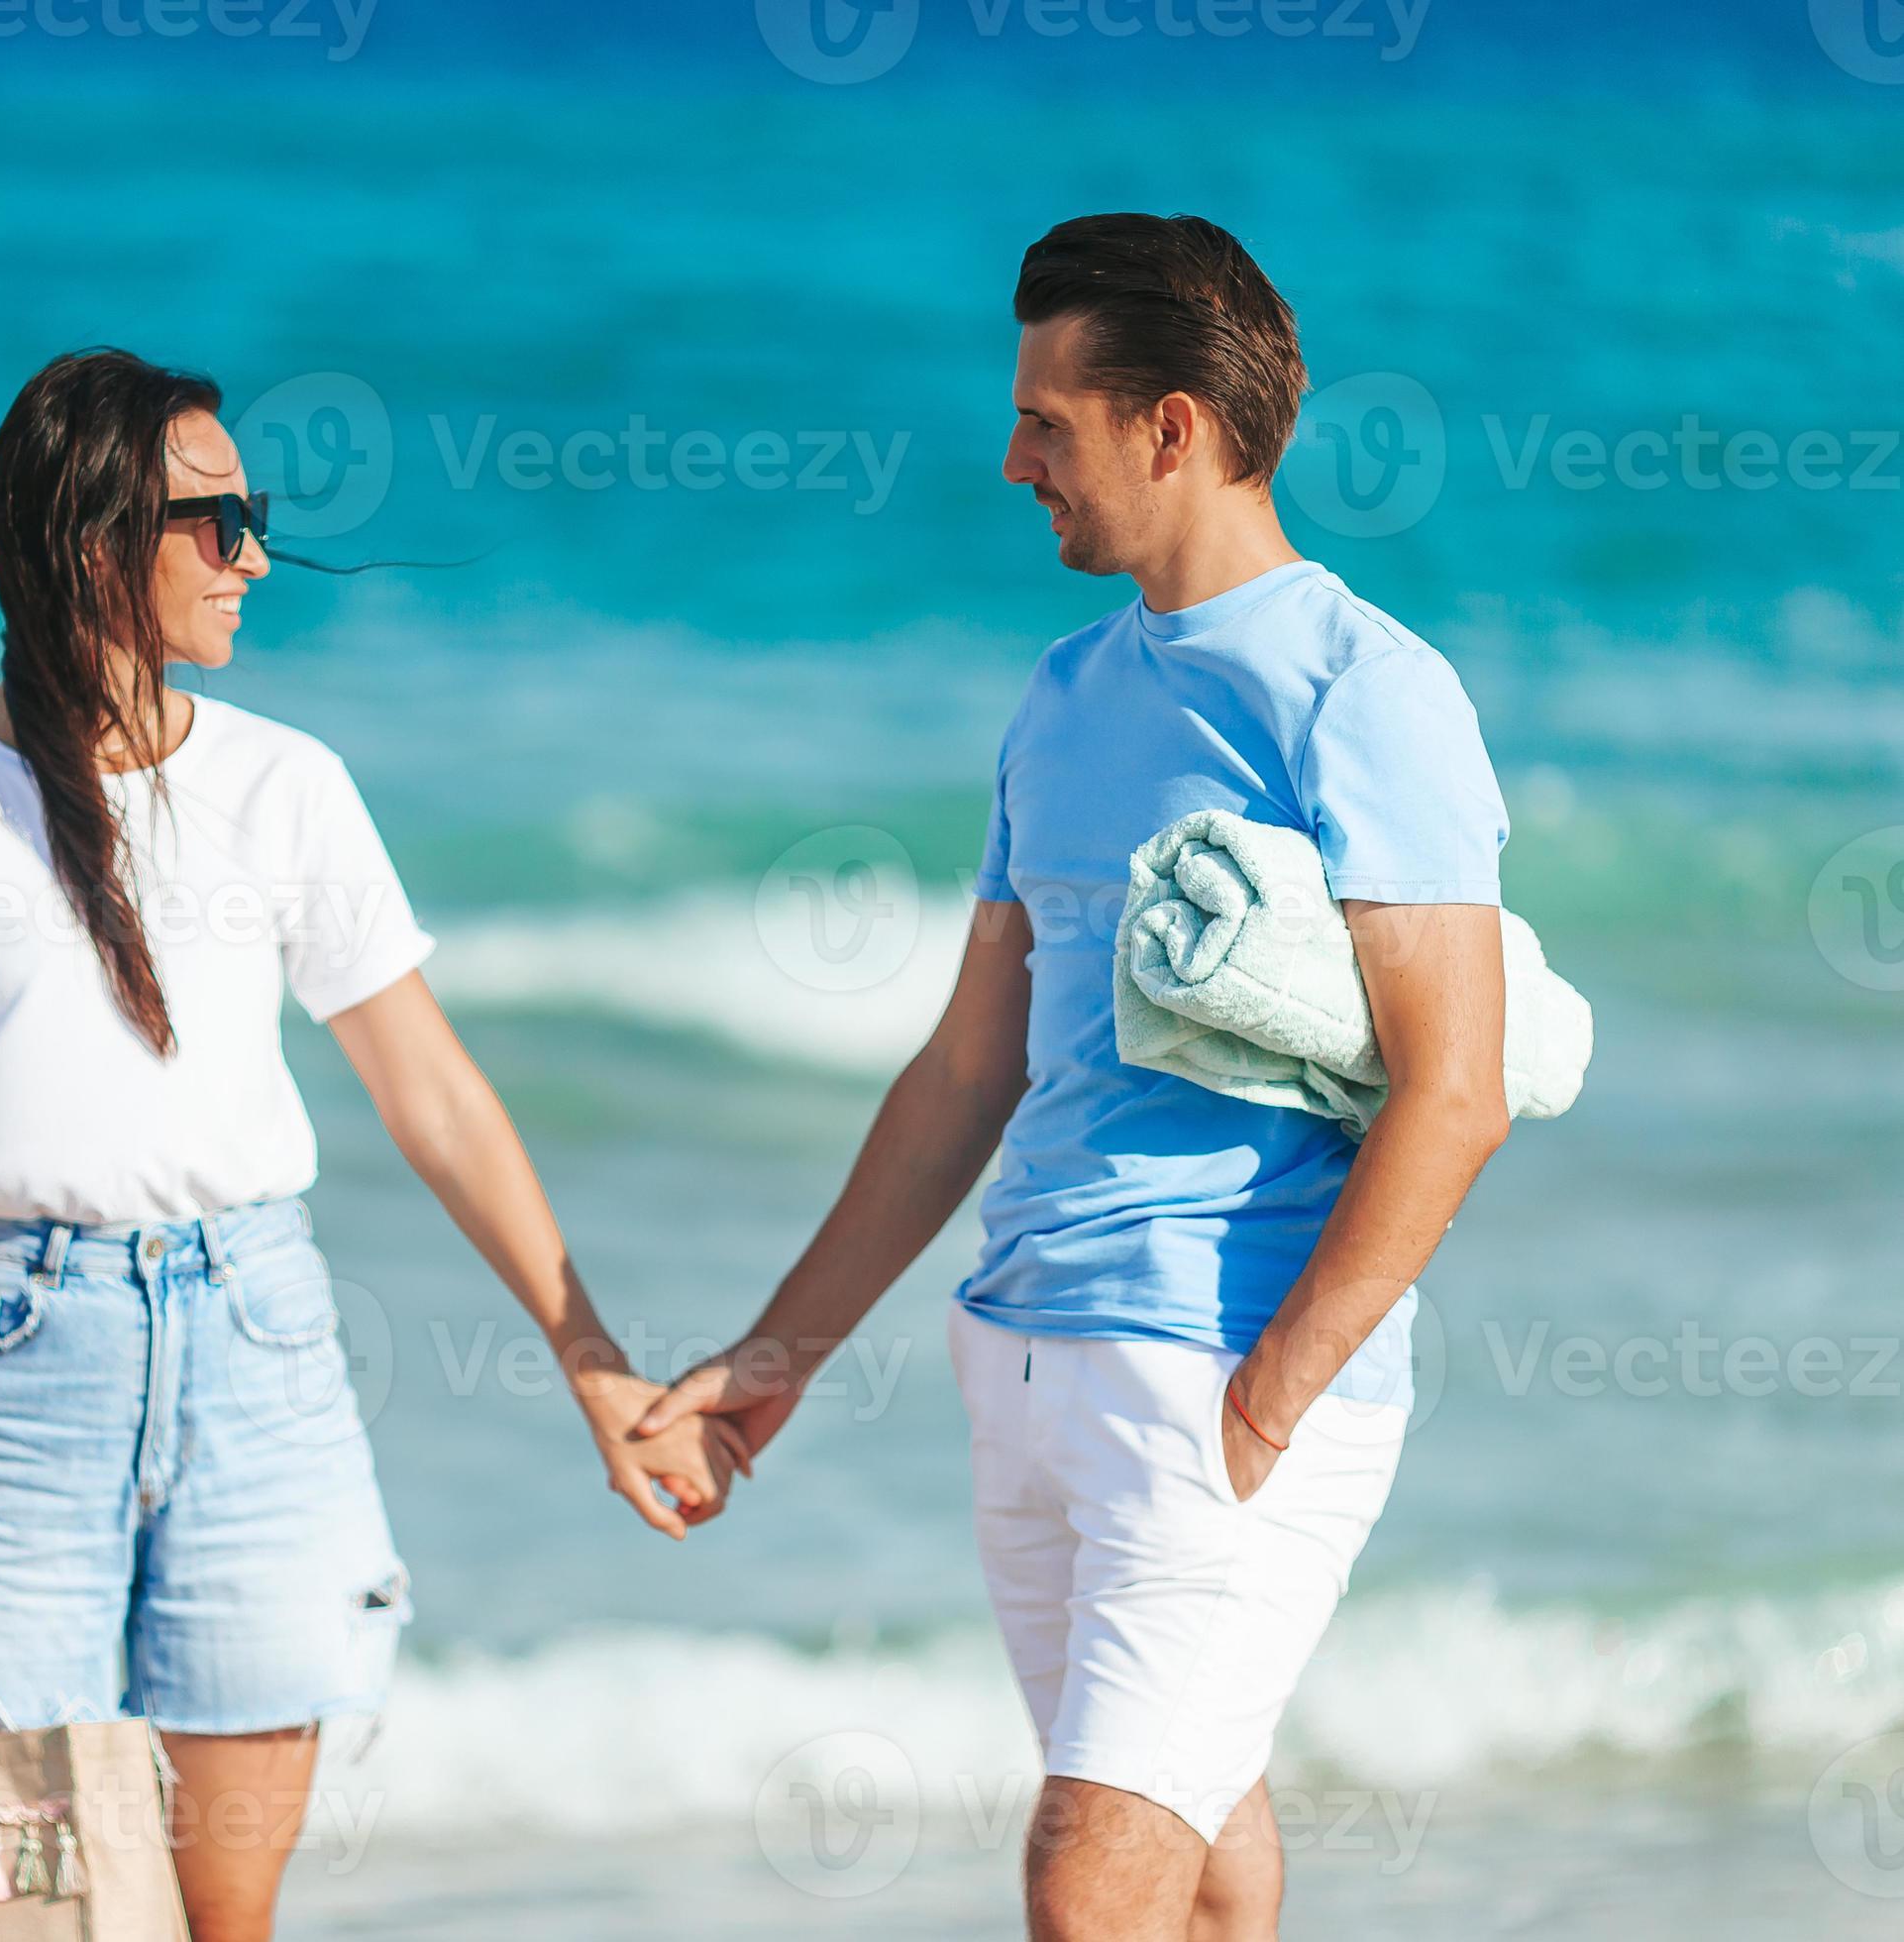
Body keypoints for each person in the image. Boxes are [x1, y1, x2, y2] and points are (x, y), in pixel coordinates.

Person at [641, 215, 1515, 1941]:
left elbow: (1457, 1088)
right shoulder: (1061, 698)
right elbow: (970, 1067)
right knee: (1195, 1855)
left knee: (1087, 1873)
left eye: (1050, 418)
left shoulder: (1367, 692)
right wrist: (777, 1352)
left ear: (1168, 426)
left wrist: (1270, 1399)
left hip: (1222, 1373)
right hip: (1026, 1353)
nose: (1014, 456)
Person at [0, 349, 746, 1942]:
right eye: (219, 518)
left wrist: (587, 1355)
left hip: (260, 1352)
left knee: (223, 1915)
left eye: (257, 518)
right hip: (9, 1361)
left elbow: (434, 1096)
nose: (253, 556)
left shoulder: (287, 785)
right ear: (92, 539)